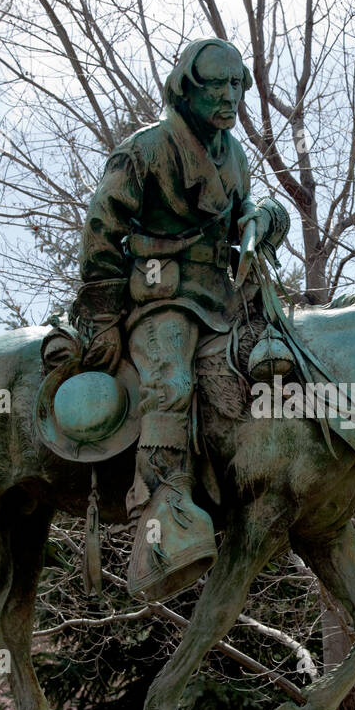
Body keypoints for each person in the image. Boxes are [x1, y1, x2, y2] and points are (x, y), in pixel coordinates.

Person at [73, 38, 289, 601]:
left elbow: (238, 212)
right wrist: (100, 312)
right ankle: (162, 526)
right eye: (214, 86)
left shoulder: (235, 156)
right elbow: (101, 229)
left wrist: (262, 217)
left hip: (225, 295)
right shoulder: (144, 150)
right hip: (161, 299)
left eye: (237, 85)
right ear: (185, 90)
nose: (228, 97)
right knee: (170, 384)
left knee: (284, 361)